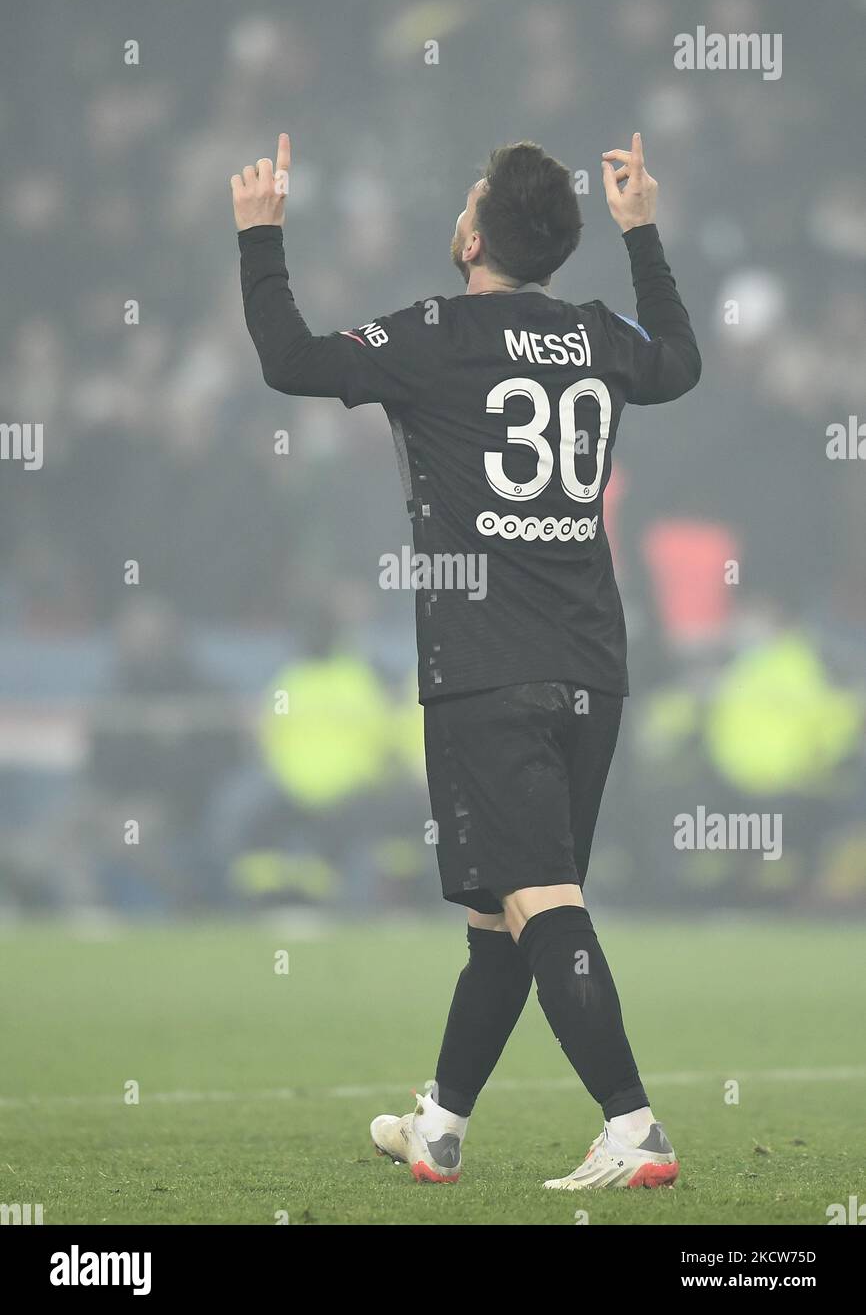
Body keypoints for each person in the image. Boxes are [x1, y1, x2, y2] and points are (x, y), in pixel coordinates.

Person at [231, 130, 701, 1191]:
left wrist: (260, 240)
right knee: (501, 914)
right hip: (592, 665)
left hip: (489, 667)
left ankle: (632, 1123)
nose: (458, 207)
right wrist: (643, 233)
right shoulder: (592, 336)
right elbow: (678, 360)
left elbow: (290, 360)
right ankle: (439, 1123)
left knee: (537, 896)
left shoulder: (434, 336)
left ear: (476, 233)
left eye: (467, 195)